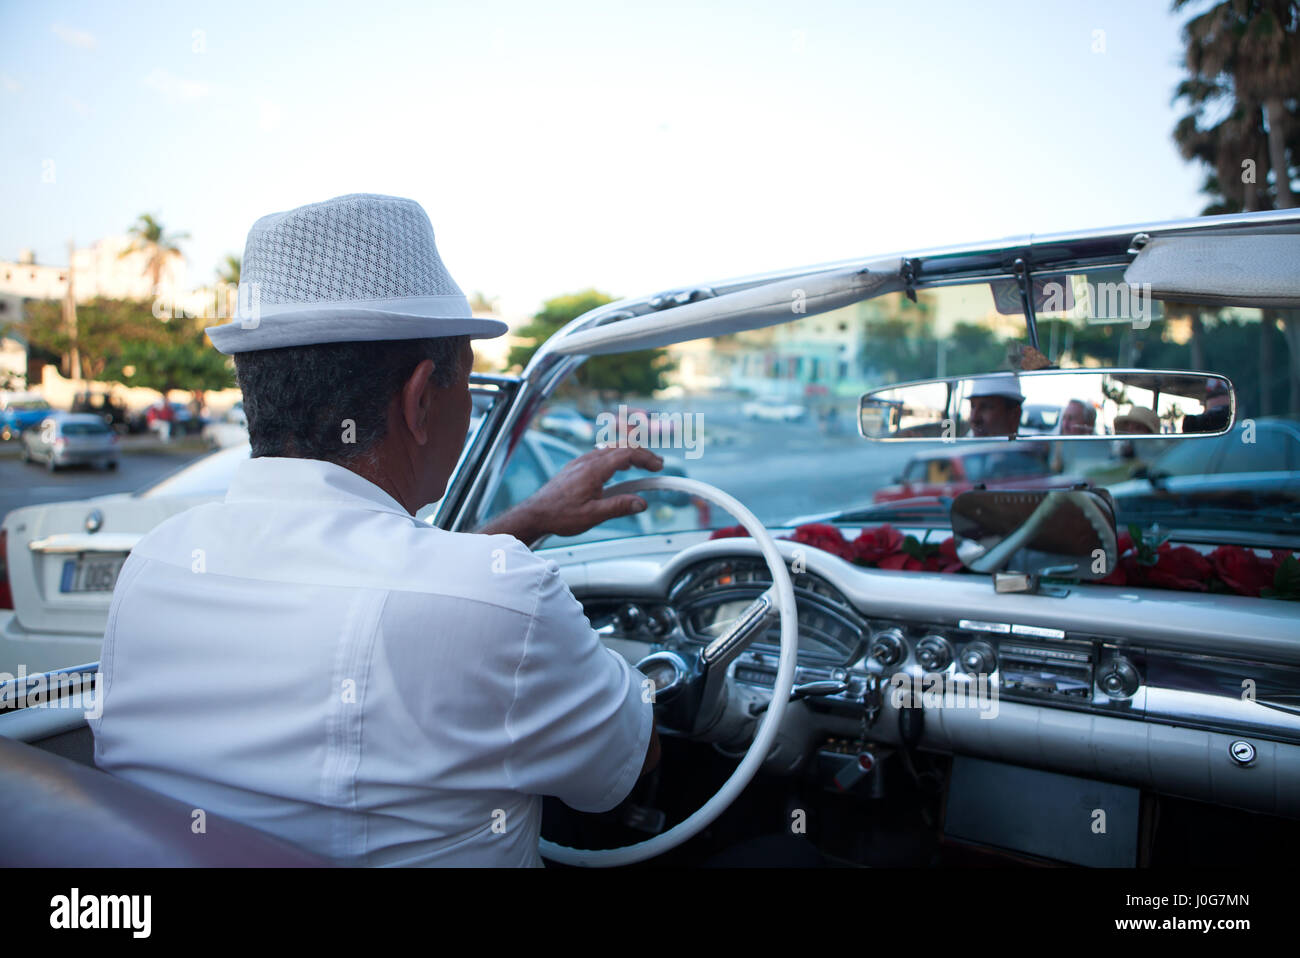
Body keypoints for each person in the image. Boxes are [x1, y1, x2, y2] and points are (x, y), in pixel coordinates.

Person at [90, 194, 662, 867]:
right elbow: (624, 771)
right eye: (469, 391)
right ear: (423, 399)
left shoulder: (157, 563)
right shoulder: (505, 603)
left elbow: (382, 587)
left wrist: (528, 520)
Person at [966, 374, 1023, 438]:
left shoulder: (1031, 447)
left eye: (985, 407)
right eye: (972, 406)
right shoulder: (963, 445)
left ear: (1014, 416)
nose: (974, 419)